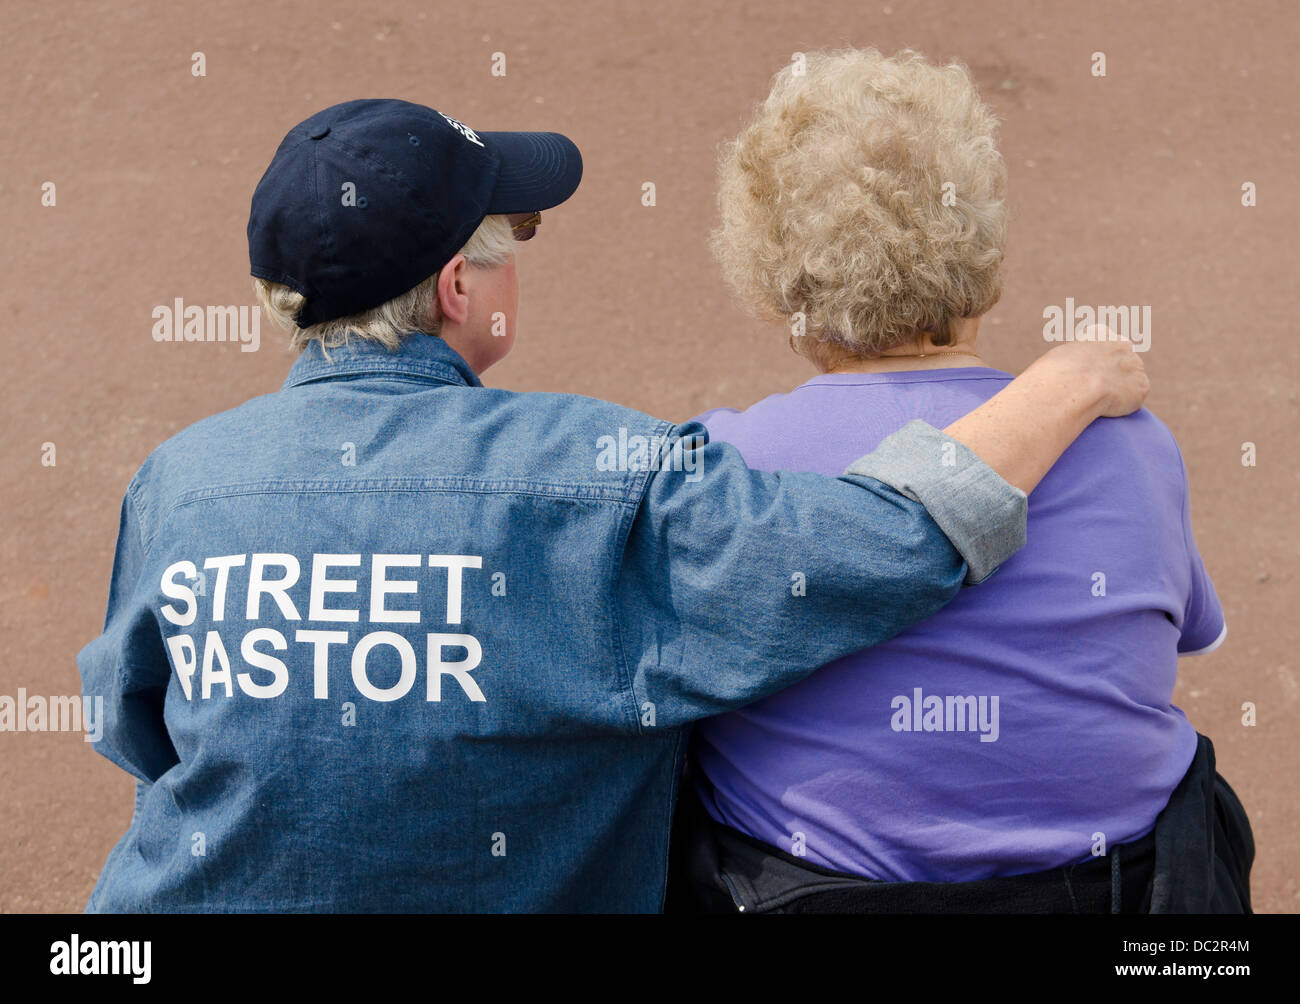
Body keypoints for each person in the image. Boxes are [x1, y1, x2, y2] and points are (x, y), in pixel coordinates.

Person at [77, 98, 1148, 912]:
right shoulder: (598, 466)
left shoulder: (177, 479)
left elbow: (135, 725)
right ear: (459, 289)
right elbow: (880, 543)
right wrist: (1069, 385)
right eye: (515, 237)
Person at [676, 49, 1252, 914]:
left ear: (771, 274)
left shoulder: (726, 461)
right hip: (1123, 898)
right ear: (982, 251)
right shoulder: (1132, 444)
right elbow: (1188, 638)